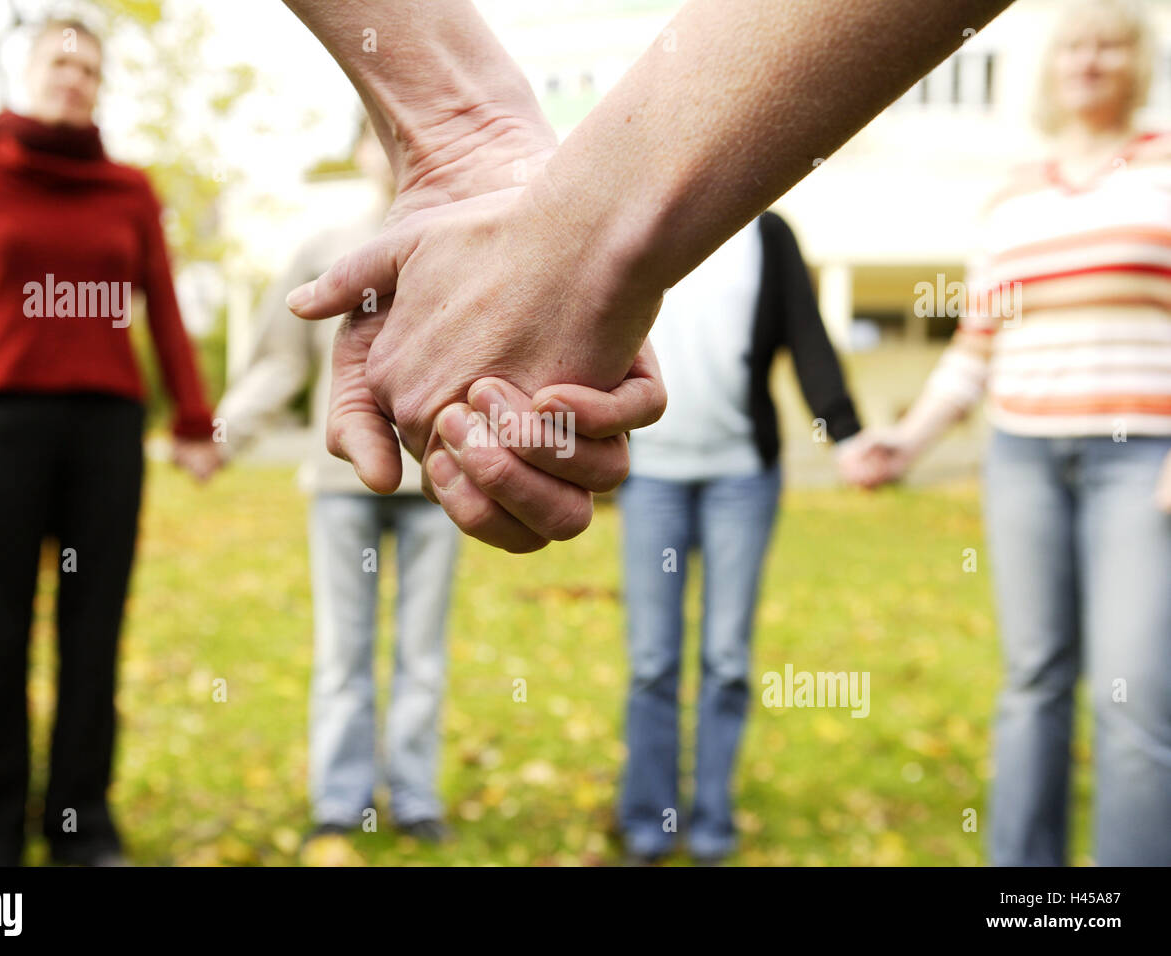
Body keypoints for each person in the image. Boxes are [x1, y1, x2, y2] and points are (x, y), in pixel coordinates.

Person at [278, 0, 1018, 552]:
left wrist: (566, 226)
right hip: (660, 465)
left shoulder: (772, 238)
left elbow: (806, 338)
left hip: (736, 466)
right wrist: (475, 142)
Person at [848, 0, 1171, 866]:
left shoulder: (1165, 168)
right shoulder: (1013, 198)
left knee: (1133, 692)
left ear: (1136, 62)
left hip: (1142, 458)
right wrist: (907, 441)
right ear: (1052, 67)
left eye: (1109, 44)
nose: (1090, 61)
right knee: (1033, 681)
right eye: (1074, 46)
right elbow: (978, 342)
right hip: (1023, 455)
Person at [0, 19, 221, 866]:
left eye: (89, 65)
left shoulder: (130, 189)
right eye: (59, 60)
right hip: (1, 430)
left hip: (107, 430)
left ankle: (81, 825)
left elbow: (164, 306)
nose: (74, 75)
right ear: (27, 70)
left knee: (94, 629)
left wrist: (191, 418)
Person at [216, 121, 460, 844]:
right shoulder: (324, 249)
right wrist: (223, 433)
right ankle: (340, 800)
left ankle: (415, 798)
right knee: (342, 650)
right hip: (338, 486)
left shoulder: (458, 243)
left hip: (435, 485)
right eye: (373, 136)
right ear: (357, 151)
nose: (387, 150)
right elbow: (280, 360)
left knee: (422, 649)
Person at [616, 213, 864, 864]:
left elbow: (807, 336)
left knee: (726, 660)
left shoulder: (770, 234)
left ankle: (712, 824)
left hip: (741, 479)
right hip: (650, 475)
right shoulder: (641, 221)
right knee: (652, 662)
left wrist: (846, 433)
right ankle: (647, 819)